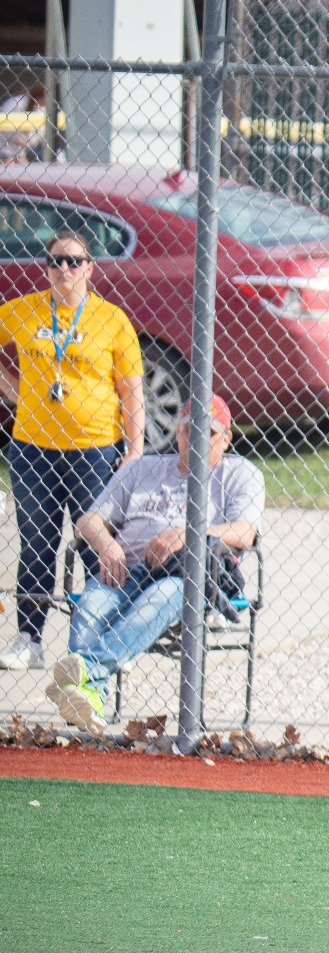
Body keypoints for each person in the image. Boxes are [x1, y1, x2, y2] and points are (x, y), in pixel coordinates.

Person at [47, 396, 263, 733]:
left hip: (184, 574)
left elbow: (245, 532)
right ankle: (90, 695)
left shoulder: (239, 474)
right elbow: (88, 520)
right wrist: (107, 546)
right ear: (177, 433)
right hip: (125, 567)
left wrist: (186, 534)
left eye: (208, 433)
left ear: (227, 438)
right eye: (189, 431)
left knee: (156, 600)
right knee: (91, 605)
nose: (196, 439)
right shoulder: (141, 467)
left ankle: (86, 675)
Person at [0, 229, 146, 672]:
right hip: (32, 450)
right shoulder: (23, 311)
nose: (64, 269)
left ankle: (97, 642)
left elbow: (132, 388)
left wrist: (134, 448)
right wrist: (14, 391)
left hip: (94, 451)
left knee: (94, 542)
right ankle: (29, 637)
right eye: (56, 261)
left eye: (74, 261)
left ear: (90, 268)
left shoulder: (110, 319)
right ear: (46, 268)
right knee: (38, 543)